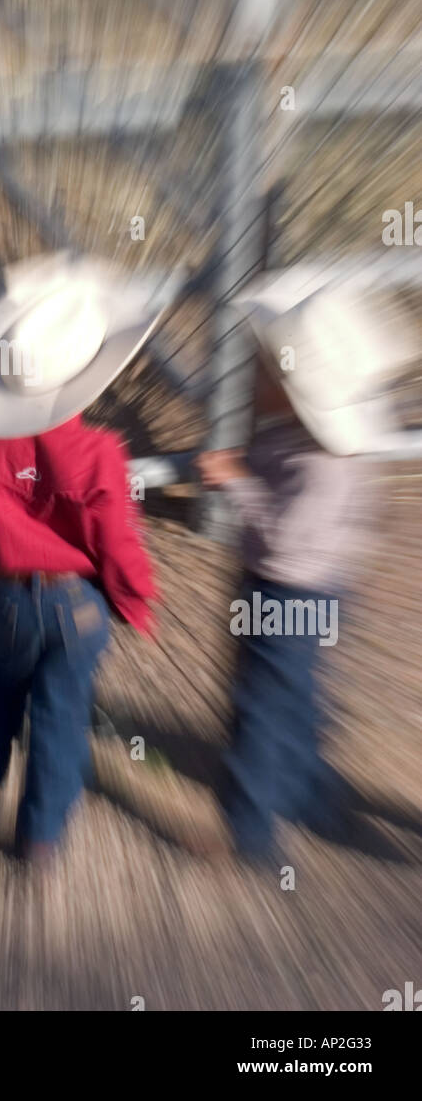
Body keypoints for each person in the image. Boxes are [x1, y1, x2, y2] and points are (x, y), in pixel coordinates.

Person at [0, 252, 162, 864]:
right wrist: (134, 599)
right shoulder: (100, 454)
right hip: (81, 602)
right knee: (62, 719)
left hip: (9, 596)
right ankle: (39, 843)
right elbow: (117, 543)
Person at [197, 271, 415, 863]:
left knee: (262, 706)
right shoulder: (314, 441)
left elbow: (286, 535)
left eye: (268, 367)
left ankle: (248, 833)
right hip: (323, 589)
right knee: (300, 696)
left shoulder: (319, 460)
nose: (255, 374)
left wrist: (237, 481)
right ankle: (309, 793)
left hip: (285, 592)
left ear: (296, 391)